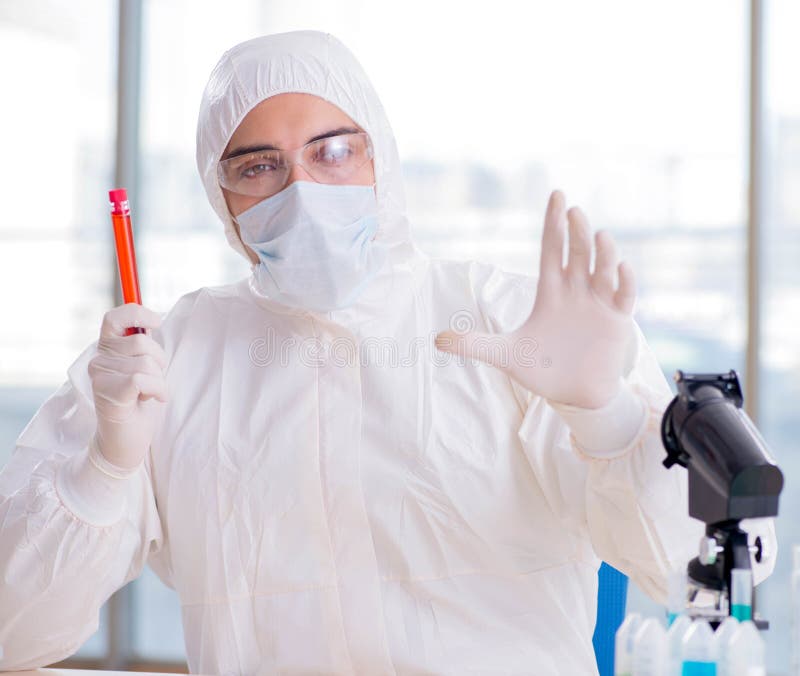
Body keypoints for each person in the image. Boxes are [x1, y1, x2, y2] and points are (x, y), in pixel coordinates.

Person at [0, 31, 775, 675]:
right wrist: (105, 466)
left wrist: (605, 417)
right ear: (222, 195)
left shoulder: (513, 324)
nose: (300, 189)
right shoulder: (163, 363)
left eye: (332, 150)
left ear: (381, 159)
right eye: (258, 166)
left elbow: (702, 574)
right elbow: (13, 633)